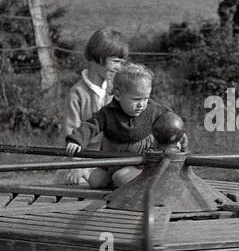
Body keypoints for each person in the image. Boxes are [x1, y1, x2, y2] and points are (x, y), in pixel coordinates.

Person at [65, 62, 182, 188]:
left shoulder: (153, 109)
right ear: (118, 95)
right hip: (112, 161)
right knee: (98, 182)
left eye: (145, 98)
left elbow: (172, 122)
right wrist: (76, 141)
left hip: (140, 163)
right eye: (136, 99)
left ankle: (147, 179)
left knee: (120, 177)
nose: (142, 104)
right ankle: (85, 170)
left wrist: (176, 141)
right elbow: (90, 125)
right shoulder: (107, 113)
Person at [63, 28, 128, 185]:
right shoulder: (77, 94)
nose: (119, 67)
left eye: (122, 63)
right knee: (83, 183)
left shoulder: (116, 91)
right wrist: (77, 164)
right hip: (85, 159)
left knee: (124, 179)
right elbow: (71, 134)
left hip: (112, 159)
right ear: (99, 58)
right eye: (116, 62)